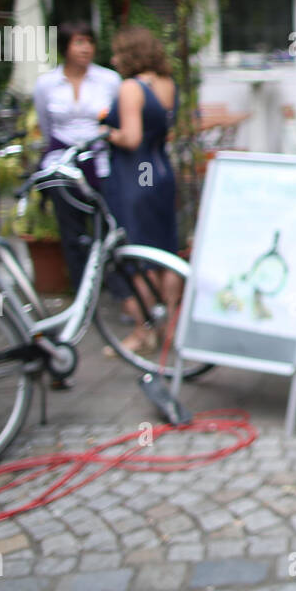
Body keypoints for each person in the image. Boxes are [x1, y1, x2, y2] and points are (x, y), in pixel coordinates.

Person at [100, 25, 181, 355]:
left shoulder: (131, 87)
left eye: (119, 52)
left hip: (139, 175)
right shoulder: (166, 83)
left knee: (140, 254)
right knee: (166, 251)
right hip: (160, 171)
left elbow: (132, 138)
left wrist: (107, 130)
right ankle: (171, 327)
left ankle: (143, 330)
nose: (114, 58)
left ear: (131, 54)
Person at [32, 21, 121, 290]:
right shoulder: (46, 83)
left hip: (100, 161)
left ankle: (114, 285)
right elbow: (45, 124)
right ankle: (81, 287)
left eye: (90, 42)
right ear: (65, 47)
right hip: (62, 162)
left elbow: (116, 119)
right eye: (79, 42)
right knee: (71, 231)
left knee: (107, 225)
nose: (86, 48)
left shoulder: (109, 80)